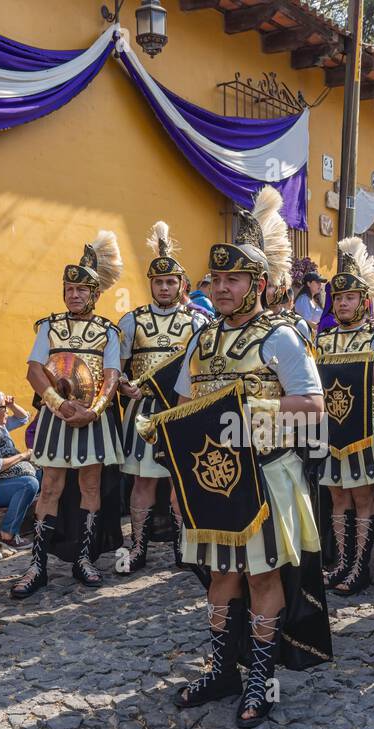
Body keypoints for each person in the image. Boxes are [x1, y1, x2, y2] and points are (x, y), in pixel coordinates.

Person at [166, 185, 327, 729]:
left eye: (234, 279)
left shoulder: (282, 337)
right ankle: (222, 668)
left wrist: (250, 405)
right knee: (220, 575)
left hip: (266, 476)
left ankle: (261, 675)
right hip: (211, 481)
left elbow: (312, 406)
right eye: (216, 279)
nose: (223, 288)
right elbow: (186, 408)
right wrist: (177, 475)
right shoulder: (202, 340)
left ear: (258, 284)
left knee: (261, 575)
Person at [14, 231, 124, 597]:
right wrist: (58, 404)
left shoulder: (109, 331)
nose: (74, 295)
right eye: (68, 289)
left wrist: (93, 411)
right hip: (55, 416)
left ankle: (83, 557)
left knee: (91, 486)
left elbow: (111, 375)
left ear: (94, 294)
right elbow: (34, 369)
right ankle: (37, 564)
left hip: (93, 418)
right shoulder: (48, 326)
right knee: (50, 486)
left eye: (81, 290)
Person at [116, 221, 207, 573]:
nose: (165, 287)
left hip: (183, 410)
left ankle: (184, 545)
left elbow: (202, 369)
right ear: (151, 284)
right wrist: (126, 386)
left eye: (171, 282)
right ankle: (137, 546)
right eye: (159, 282)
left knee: (180, 479)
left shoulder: (198, 322)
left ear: (182, 285)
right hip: (144, 412)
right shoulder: (131, 321)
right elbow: (118, 370)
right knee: (144, 480)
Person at [317, 237, 374, 595]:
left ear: (363, 302)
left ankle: (361, 566)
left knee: (363, 496)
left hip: (365, 429)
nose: (342, 303)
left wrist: (343, 369)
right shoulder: (323, 339)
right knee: (337, 496)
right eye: (337, 297)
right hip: (331, 431)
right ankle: (342, 561)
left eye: (349, 297)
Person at [0, 392, 36, 552]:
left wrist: (11, 404)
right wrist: (23, 455)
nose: (7, 412)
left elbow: (23, 418)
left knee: (48, 475)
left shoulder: (1, 428)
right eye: (4, 408)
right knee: (29, 484)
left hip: (9, 479)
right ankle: (7, 534)